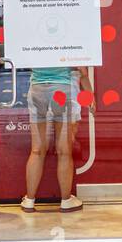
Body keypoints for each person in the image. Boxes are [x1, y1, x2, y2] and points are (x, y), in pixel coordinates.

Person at [22, 65, 92, 212]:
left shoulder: (34, 40)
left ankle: (29, 200)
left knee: (37, 150)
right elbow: (82, 71)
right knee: (64, 151)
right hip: (62, 88)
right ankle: (66, 200)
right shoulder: (67, 41)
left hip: (37, 88)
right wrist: (90, 94)